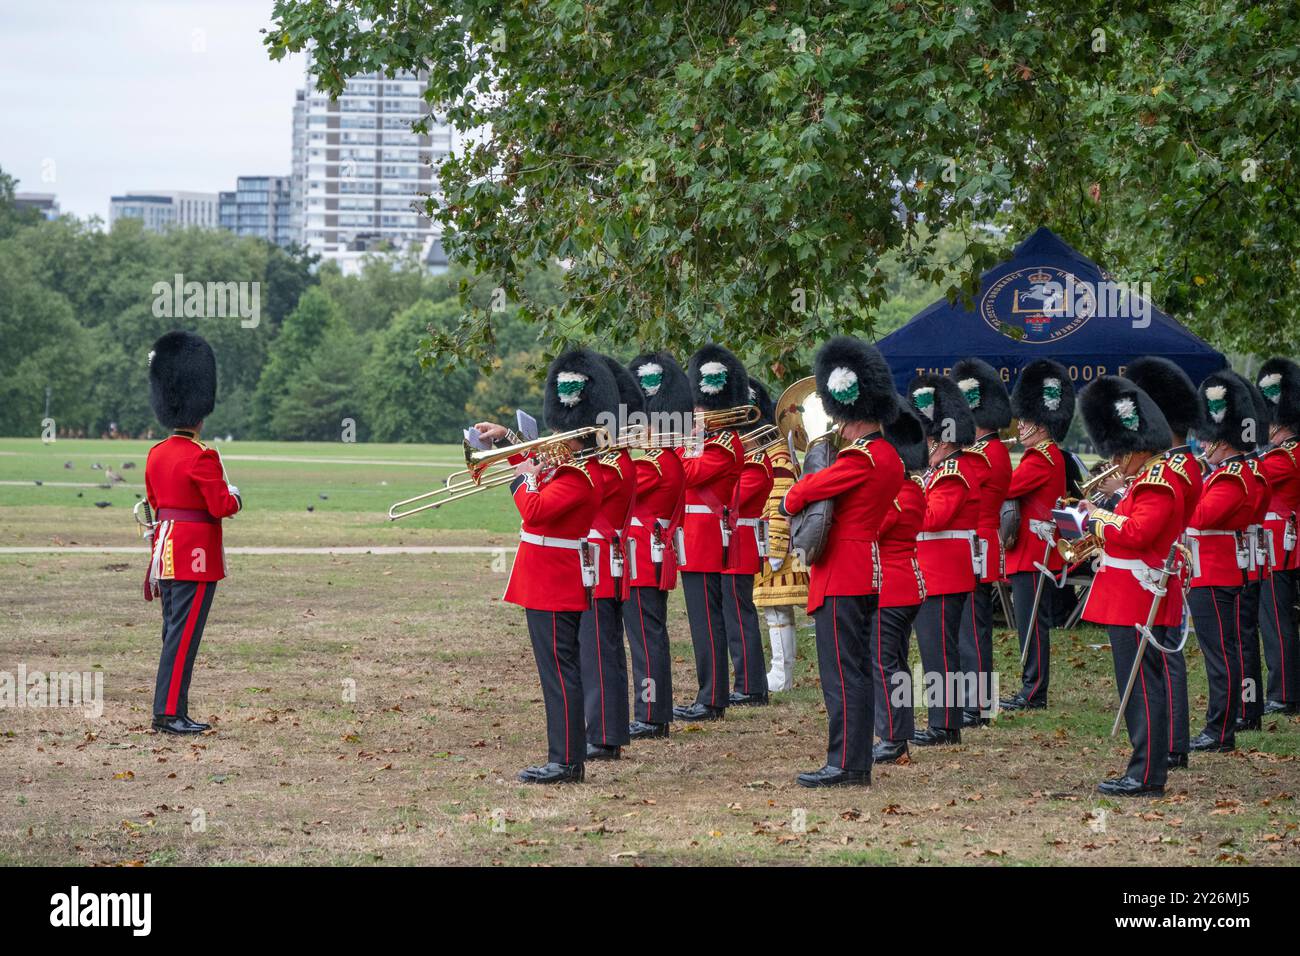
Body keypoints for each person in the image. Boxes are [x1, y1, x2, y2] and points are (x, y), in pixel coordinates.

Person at [476, 350, 612, 783]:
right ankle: (564, 757)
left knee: (560, 674)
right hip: (544, 581)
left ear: (578, 438)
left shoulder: (579, 478)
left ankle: (567, 761)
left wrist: (519, 479)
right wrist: (505, 443)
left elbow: (533, 510)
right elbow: (532, 474)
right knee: (555, 672)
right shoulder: (566, 468)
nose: (552, 439)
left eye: (561, 434)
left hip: (556, 584)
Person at [781, 336, 903, 786]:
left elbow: (804, 492)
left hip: (842, 572)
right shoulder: (887, 456)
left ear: (851, 414)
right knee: (857, 669)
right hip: (865, 568)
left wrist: (793, 494)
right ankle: (853, 761)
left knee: (842, 674)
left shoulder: (862, 457)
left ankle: (846, 764)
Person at [1077, 376, 1186, 797]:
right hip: (1127, 593)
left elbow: (1139, 534)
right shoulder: (1144, 479)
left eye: (1121, 450)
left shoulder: (1158, 481)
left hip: (1139, 594)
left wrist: (1096, 519)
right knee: (1137, 685)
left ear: (1138, 446)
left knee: (1142, 685)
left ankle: (1146, 774)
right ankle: (1143, 768)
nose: (1116, 459)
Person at [143, 331, 243, 736]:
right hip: (194, 555)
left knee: (173, 632)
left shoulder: (155, 454)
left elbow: (155, 501)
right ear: (200, 411)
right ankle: (168, 714)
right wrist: (237, 497)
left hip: (165, 549)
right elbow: (222, 506)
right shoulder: (203, 456)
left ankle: (171, 710)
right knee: (182, 638)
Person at [1124, 356, 1202, 768]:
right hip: (1163, 564)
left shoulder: (1177, 465)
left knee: (1165, 659)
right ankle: (1170, 742)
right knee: (1163, 659)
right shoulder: (1170, 463)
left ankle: (1172, 742)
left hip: (1165, 565)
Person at [1184, 370, 1260, 753]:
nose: (1203, 443)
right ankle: (1221, 727)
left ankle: (1219, 731)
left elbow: (1198, 517)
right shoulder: (1225, 474)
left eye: (1209, 438)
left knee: (1221, 657)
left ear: (1222, 441)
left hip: (1214, 573)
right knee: (1223, 653)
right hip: (1211, 571)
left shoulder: (1230, 478)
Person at [673, 344, 748, 721]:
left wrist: (688, 440)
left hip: (706, 540)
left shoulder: (725, 444)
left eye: (701, 409)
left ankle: (712, 697)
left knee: (707, 620)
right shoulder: (704, 442)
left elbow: (686, 474)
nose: (696, 414)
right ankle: (710, 692)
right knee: (702, 620)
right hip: (693, 538)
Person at [907, 374, 981, 745]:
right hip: (934, 570)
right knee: (936, 649)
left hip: (944, 572)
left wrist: (906, 505)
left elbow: (934, 519)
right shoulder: (937, 471)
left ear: (940, 440)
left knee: (940, 651)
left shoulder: (954, 472)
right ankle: (943, 720)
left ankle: (945, 725)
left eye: (929, 440)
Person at [576, 355, 643, 760]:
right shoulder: (606, 459)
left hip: (600, 563)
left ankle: (604, 735)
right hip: (598, 562)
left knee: (600, 651)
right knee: (601, 649)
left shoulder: (612, 464)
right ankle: (606, 729)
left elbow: (583, 487)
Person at [999, 359, 1074, 712]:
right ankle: (1032, 687)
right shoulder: (1045, 455)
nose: (1021, 426)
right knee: (1031, 624)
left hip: (1033, 553)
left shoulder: (1040, 458)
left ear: (1041, 425)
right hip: (1033, 551)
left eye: (1026, 421)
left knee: (1032, 626)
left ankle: (1034, 691)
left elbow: (1006, 487)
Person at [623, 351, 690, 740]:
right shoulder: (661, 458)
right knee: (649, 636)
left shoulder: (655, 463)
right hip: (645, 555)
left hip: (643, 558)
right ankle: (654, 711)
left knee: (646, 639)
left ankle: (651, 714)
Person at [950, 358, 1012, 726]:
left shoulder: (985, 454)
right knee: (965, 628)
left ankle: (979, 705)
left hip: (978, 546)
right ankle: (970, 701)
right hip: (974, 543)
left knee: (972, 630)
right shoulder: (985, 451)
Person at [870, 400, 928, 763]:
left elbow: (872, 529)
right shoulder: (909, 489)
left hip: (894, 587)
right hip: (905, 584)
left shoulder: (900, 493)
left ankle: (893, 738)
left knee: (883, 662)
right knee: (894, 662)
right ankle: (897, 733)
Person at [751, 381, 810, 693]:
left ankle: (781, 674)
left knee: (777, 609)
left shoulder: (775, 452)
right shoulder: (768, 450)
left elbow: (780, 501)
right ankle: (779, 672)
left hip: (776, 543)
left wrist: (774, 545)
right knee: (773, 610)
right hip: (767, 541)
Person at [723, 382, 777, 705]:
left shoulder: (757, 462)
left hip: (741, 541)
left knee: (740, 616)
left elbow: (732, 497)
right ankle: (747, 682)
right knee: (733, 615)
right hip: (731, 541)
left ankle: (752, 686)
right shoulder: (745, 459)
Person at [1255, 357, 1300, 715]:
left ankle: (1282, 693)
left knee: (1276, 621)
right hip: (1286, 545)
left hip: (1281, 548)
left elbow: (1252, 480)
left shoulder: (1284, 457)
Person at [1238, 376, 1274, 731]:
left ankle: (1248, 708)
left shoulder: (1244, 470)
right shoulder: (1254, 465)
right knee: (1243, 637)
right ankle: (1248, 706)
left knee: (1244, 639)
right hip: (1247, 556)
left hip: (1243, 558)